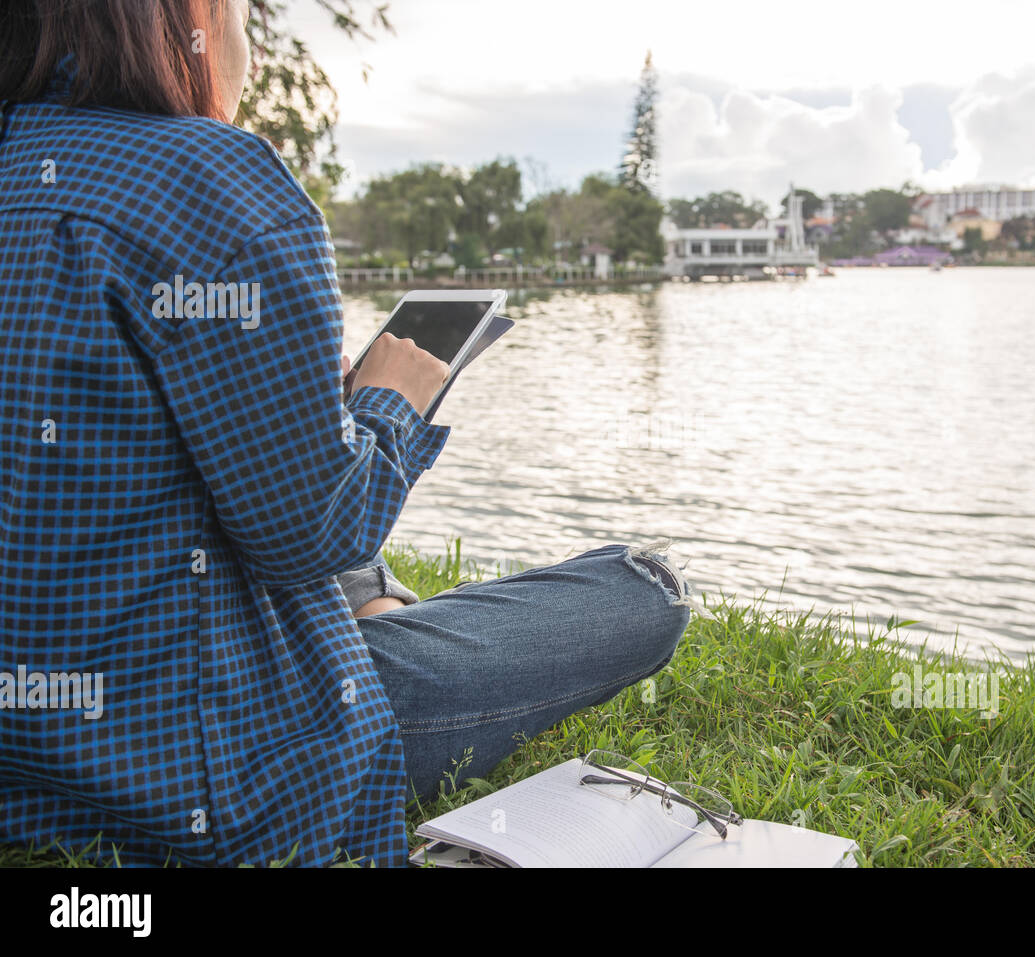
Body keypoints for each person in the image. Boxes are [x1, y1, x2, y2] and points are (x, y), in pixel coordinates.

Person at [0, 0, 702, 867]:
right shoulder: (207, 176)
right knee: (644, 586)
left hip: (25, 752)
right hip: (212, 759)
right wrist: (390, 401)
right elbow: (312, 532)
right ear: (186, 19)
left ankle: (367, 603)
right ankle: (371, 618)